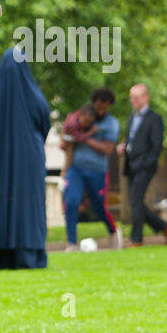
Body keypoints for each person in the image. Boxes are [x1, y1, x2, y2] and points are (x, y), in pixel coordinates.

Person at [0, 48, 50, 270]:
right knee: (26, 207)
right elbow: (45, 121)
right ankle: (27, 256)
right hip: (29, 163)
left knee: (0, 204)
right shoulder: (33, 96)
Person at [62, 88, 122, 251]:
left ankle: (113, 232)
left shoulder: (111, 123)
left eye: (105, 107)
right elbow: (67, 134)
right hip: (76, 168)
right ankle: (72, 242)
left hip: (97, 170)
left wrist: (85, 138)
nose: (101, 110)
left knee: (99, 207)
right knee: (71, 201)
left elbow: (108, 149)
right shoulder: (82, 117)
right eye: (99, 107)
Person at [118, 83, 167, 247]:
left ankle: (136, 239)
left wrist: (146, 163)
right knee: (135, 202)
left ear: (145, 97)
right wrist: (125, 147)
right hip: (130, 164)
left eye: (135, 97)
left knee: (135, 201)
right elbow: (132, 141)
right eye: (131, 98)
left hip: (144, 167)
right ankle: (164, 226)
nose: (132, 101)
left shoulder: (154, 119)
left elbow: (156, 146)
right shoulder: (131, 118)